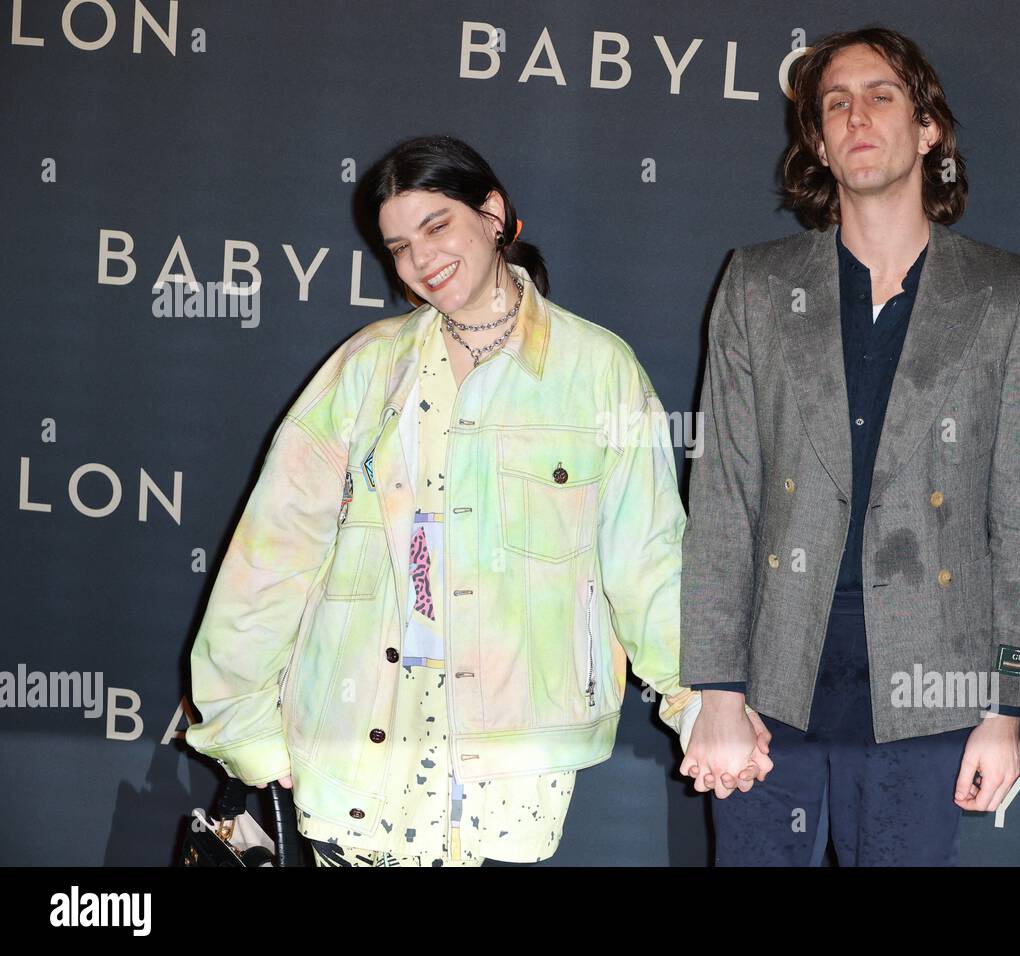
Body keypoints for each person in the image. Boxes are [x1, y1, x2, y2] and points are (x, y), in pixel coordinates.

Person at [185, 134, 706, 866]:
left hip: (513, 764)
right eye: (399, 246)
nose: (421, 259)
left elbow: (646, 559)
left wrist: (696, 702)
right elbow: (275, 548)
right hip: (358, 739)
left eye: (437, 226)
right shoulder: (368, 367)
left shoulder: (598, 371)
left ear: (492, 214)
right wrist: (241, 720)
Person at [680, 26, 1020, 865]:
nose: (857, 116)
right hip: (772, 676)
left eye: (882, 96)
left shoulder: (1005, 293)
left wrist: (1005, 709)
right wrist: (716, 692)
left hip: (936, 680)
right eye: (835, 104)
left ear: (928, 129)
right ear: (818, 144)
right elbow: (724, 496)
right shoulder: (757, 284)